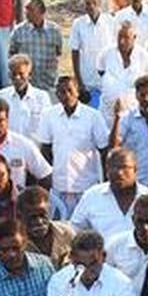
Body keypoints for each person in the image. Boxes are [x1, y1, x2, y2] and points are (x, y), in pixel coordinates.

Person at [40, 76, 111, 211]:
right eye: (62, 92)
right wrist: (46, 182)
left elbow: (104, 150)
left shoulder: (93, 116)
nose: (67, 95)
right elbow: (46, 150)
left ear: (77, 92)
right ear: (57, 95)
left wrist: (107, 181)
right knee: (60, 222)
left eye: (70, 91)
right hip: (59, 186)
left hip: (86, 186)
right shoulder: (48, 115)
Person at [9, 0, 65, 92]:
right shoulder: (19, 31)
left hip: (48, 84)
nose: (26, 13)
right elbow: (12, 55)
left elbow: (58, 52)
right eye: (26, 9)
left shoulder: (54, 31)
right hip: (26, 86)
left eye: (30, 9)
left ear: (41, 11)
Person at [19, 186, 76, 269]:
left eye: (43, 215)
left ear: (49, 211)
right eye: (32, 217)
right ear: (20, 216)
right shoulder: (16, 242)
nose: (39, 221)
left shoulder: (66, 233)